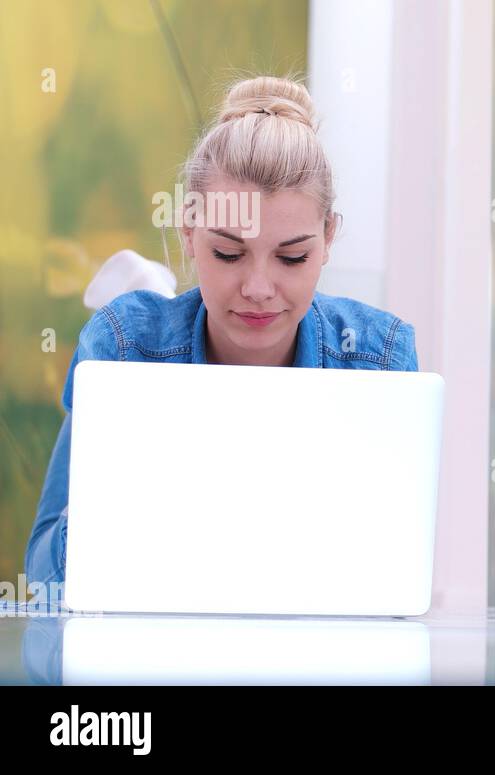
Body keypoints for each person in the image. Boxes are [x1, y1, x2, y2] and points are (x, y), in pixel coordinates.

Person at [24, 76, 420, 591]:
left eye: (292, 256)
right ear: (188, 232)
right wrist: (115, 488)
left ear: (328, 238)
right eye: (228, 254)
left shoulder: (377, 359)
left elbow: (397, 577)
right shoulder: (125, 350)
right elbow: (44, 579)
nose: (258, 288)